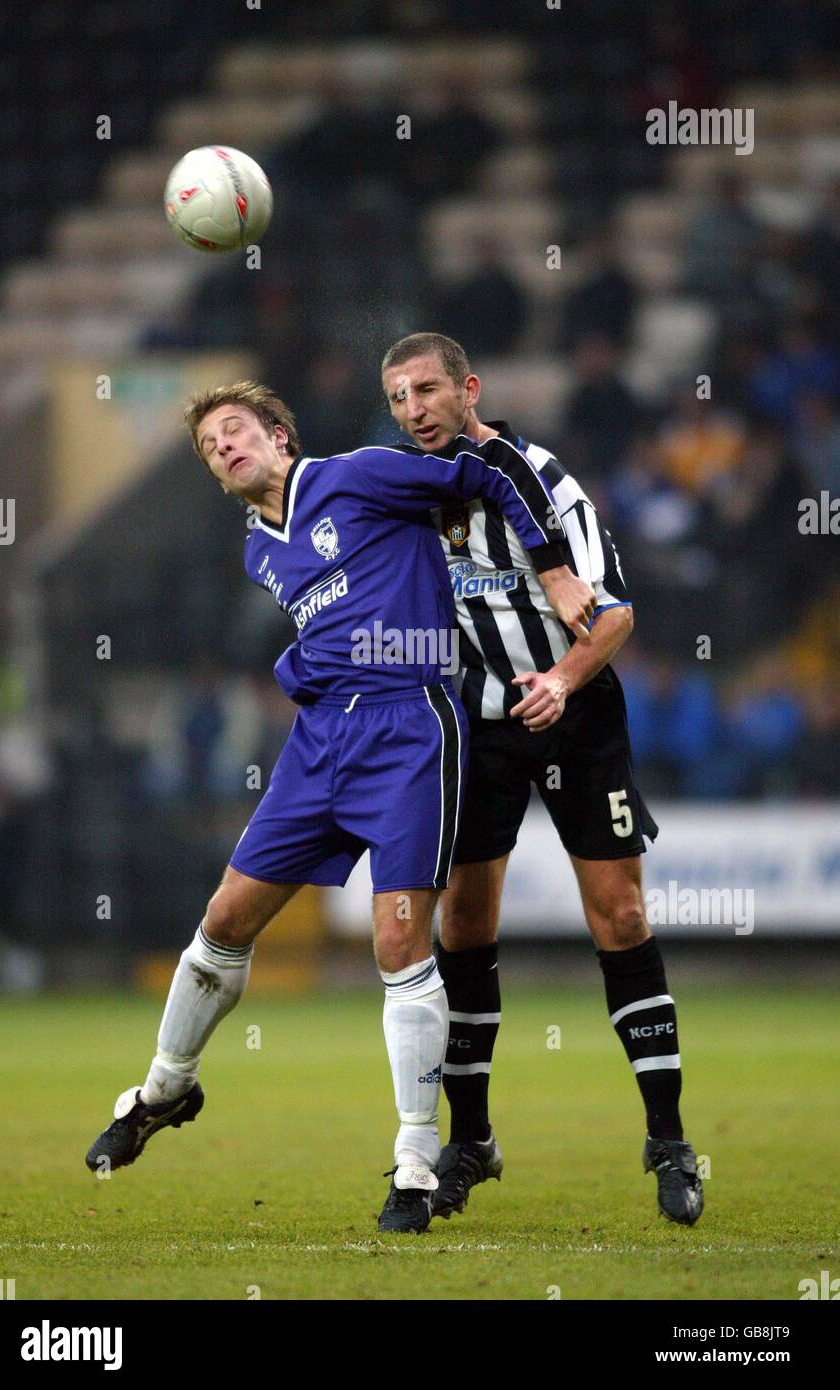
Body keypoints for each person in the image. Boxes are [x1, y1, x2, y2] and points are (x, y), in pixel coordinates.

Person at [84, 379, 573, 1235]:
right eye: (209, 447)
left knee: (396, 940)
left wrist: (555, 569)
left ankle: (416, 1161)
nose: (224, 448)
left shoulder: (357, 474)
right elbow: (326, 628)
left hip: (410, 727)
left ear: (278, 435)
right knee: (226, 917)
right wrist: (296, 677)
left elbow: (486, 476)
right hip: (320, 742)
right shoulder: (257, 551)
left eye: (236, 432)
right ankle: (163, 1089)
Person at [380, 333, 704, 1227]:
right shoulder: (414, 497)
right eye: (398, 397)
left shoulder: (542, 480)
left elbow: (616, 613)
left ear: (467, 389)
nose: (413, 410)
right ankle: (471, 1140)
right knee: (466, 921)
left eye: (426, 390)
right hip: (478, 730)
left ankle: (668, 1141)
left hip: (577, 713)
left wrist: (560, 680)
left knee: (620, 915)